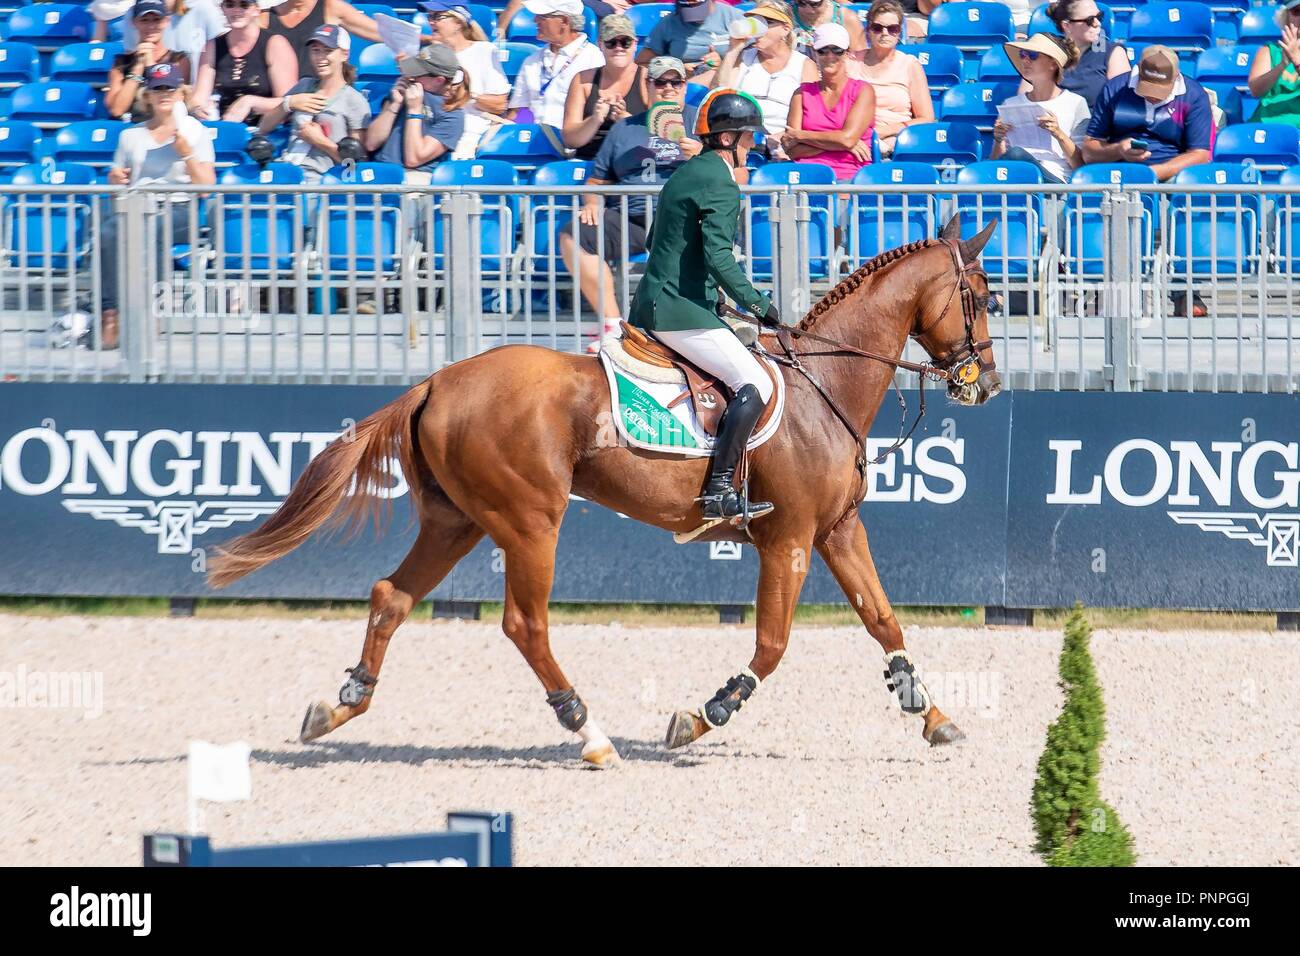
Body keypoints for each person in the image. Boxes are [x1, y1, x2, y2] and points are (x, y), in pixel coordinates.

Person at [627, 89, 779, 522]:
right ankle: (718, 491)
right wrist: (758, 304)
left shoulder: (690, 171)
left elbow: (664, 242)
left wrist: (713, 297)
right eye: (749, 137)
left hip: (663, 301)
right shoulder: (719, 180)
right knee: (756, 384)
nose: (754, 145)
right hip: (677, 310)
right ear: (728, 139)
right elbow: (718, 256)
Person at [559, 56, 701, 351]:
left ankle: (689, 329)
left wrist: (702, 157)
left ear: (685, 87)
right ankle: (613, 326)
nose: (668, 88)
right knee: (575, 234)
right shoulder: (624, 129)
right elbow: (597, 181)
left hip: (684, 220)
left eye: (676, 82)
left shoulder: (700, 121)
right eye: (660, 82)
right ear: (647, 87)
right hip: (632, 219)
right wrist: (592, 202)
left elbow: (736, 173)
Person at [1083, 45, 1214, 316]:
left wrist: (1155, 173)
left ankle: (1185, 290)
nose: (1153, 99)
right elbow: (1090, 148)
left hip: (1169, 173)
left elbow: (1201, 154)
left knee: (1186, 200)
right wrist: (1118, 150)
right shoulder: (1115, 89)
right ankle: (1105, 287)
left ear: (1176, 78)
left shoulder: (1193, 94)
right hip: (1118, 172)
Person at [98, 62, 217, 350]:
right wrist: (116, 181)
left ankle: (152, 310)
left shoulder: (195, 132)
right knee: (108, 232)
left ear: (180, 94)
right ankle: (111, 313)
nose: (164, 93)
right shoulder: (129, 136)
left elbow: (206, 187)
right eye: (158, 88)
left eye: (170, 88)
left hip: (179, 209)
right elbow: (118, 190)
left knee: (154, 228)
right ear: (148, 95)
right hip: (137, 205)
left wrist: (187, 155)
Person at [256, 24, 371, 181]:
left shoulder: (355, 101)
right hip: (287, 172)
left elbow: (353, 165)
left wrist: (319, 140)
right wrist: (289, 103)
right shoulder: (304, 86)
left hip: (320, 180)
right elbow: (264, 127)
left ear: (344, 55)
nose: (320, 57)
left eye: (328, 51)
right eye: (316, 50)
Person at [713, 2, 816, 154]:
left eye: (767, 22)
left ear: (785, 29)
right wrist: (733, 49)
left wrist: (784, 138)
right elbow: (718, 95)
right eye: (755, 20)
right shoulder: (743, 57)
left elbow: (811, 115)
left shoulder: (803, 64)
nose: (758, 27)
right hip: (742, 138)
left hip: (783, 142)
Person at [782, 22, 875, 181]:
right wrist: (840, 143)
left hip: (849, 177)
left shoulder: (863, 90)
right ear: (814, 52)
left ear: (847, 53)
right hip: (804, 177)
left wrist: (801, 135)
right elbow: (791, 150)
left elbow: (847, 139)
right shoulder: (800, 94)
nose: (830, 56)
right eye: (823, 50)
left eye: (837, 50)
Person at [991, 33, 1089, 184]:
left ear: (1053, 64)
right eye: (1022, 55)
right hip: (1015, 180)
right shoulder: (1010, 104)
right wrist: (999, 139)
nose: (1025, 60)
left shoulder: (1075, 103)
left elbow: (1080, 165)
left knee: (1016, 154)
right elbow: (997, 166)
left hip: (1054, 183)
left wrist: (1058, 133)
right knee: (1011, 158)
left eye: (1033, 55)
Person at [363, 43, 467, 182]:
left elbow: (413, 159)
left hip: (415, 177)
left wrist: (414, 111)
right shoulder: (402, 93)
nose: (410, 76)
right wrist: (394, 105)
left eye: (417, 73)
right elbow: (371, 143)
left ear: (438, 80)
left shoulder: (452, 114)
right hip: (379, 170)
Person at [422, 2, 512, 158]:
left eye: (437, 16)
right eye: (429, 16)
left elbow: (499, 105)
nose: (431, 22)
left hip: (469, 131)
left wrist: (466, 94)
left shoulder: (484, 51)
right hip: (432, 128)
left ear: (458, 22)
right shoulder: (428, 54)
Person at [188, 0, 297, 123]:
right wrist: (197, 109)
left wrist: (251, 102)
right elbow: (198, 98)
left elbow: (290, 102)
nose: (236, 10)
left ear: (256, 10)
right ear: (222, 9)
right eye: (230, 5)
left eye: (244, 5)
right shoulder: (212, 46)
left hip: (266, 132)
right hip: (226, 127)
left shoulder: (275, 44)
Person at [563, 13, 649, 160]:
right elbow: (570, 139)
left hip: (634, 161)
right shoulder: (583, 80)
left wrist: (628, 121)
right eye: (611, 42)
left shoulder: (648, 79)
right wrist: (595, 119)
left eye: (625, 42)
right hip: (591, 160)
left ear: (635, 44)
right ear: (600, 45)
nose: (618, 47)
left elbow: (662, 137)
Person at [507, 0, 605, 127]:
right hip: (536, 140)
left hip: (572, 141)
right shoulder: (532, 61)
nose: (535, 20)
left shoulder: (594, 59)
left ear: (564, 21)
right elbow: (521, 111)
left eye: (543, 16)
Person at [858, 0, 932, 157]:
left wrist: (885, 131)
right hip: (856, 135)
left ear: (899, 32)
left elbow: (926, 118)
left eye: (892, 29)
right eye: (877, 28)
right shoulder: (851, 61)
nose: (885, 33)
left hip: (895, 138)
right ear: (868, 30)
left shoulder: (909, 65)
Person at [106, 0, 193, 120]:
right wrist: (138, 67)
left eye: (156, 20)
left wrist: (150, 67)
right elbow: (117, 110)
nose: (151, 26)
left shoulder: (178, 60)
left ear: (166, 21)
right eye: (144, 20)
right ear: (134, 22)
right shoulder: (121, 63)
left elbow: (173, 106)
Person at [264, 0, 386, 79]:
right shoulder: (264, 17)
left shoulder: (330, 7)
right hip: (279, 102)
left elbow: (383, 34)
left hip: (320, 97)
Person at [638, 0, 745, 87]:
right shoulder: (669, 23)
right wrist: (677, 68)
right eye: (687, 7)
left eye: (697, 6)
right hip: (684, 86)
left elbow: (754, 56)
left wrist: (723, 63)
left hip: (728, 80)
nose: (694, 15)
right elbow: (642, 64)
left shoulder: (733, 17)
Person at [1046, 0, 1129, 108]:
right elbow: (1027, 97)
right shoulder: (1048, 51)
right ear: (1066, 26)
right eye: (1090, 20)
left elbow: (1122, 101)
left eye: (1099, 17)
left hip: (1093, 122)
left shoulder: (1113, 52)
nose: (1097, 23)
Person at [1247, 0, 1300, 129]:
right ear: (1286, 18)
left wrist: (1297, 62)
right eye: (1296, 12)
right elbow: (1255, 90)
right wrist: (1282, 65)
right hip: (1265, 126)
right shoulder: (1269, 51)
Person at [788, 0, 866, 74]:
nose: (808, 10)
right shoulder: (787, 15)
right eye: (801, 2)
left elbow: (859, 62)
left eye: (815, 4)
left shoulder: (847, 18)